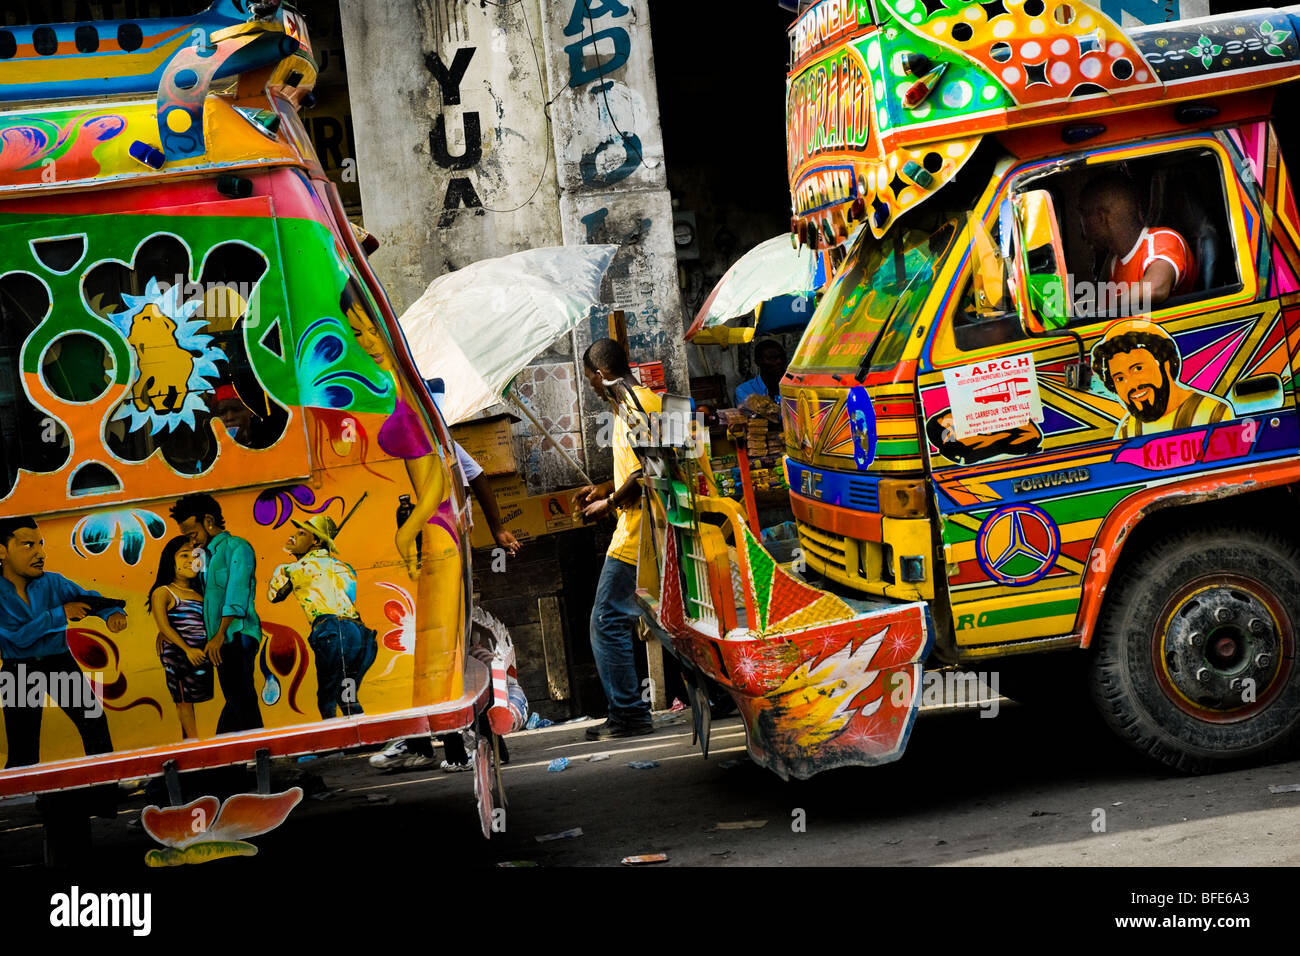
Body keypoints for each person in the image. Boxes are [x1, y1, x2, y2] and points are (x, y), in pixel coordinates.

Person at [370, 390, 519, 771]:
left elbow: (474, 477)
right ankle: (427, 744)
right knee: (438, 648)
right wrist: (497, 528)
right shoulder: (429, 439)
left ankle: (454, 747)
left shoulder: (427, 440)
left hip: (435, 556)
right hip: (433, 555)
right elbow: (477, 476)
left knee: (439, 650)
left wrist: (497, 528)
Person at [576, 337, 660, 741]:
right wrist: (604, 489)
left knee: (607, 619)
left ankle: (629, 715)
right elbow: (639, 467)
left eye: (590, 378)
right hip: (637, 529)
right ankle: (626, 712)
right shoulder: (629, 406)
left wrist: (608, 503)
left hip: (641, 533)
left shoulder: (641, 405)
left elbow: (654, 473)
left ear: (602, 373)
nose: (591, 387)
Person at [0, 516, 123, 768]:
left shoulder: (53, 582)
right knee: (23, 746)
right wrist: (61, 613)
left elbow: (87, 598)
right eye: (28, 545)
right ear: (2, 551)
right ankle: (16, 800)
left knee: (94, 725)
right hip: (18, 672)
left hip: (59, 664)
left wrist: (111, 613)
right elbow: (16, 637)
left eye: (41, 544)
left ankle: (107, 784)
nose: (40, 553)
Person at [268, 515, 379, 719]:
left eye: (301, 534)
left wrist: (286, 574)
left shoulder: (291, 569)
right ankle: (362, 736)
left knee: (327, 695)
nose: (292, 537)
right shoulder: (342, 567)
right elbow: (350, 593)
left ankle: (336, 740)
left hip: (331, 631)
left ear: (316, 541)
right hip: (360, 635)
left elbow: (274, 596)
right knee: (347, 695)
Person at [170, 493, 263, 734]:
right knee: (239, 697)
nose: (192, 540)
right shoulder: (203, 556)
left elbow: (236, 593)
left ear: (209, 521)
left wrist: (220, 634)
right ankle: (248, 750)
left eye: (193, 534)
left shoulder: (237, 548)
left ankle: (243, 749)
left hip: (238, 634)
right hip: (216, 641)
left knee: (239, 696)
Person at [1091, 318, 1234, 438]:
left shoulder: (1212, 412)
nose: (1132, 385)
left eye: (1138, 369)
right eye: (1120, 378)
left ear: (1165, 364)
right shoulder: (1128, 430)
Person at [1079, 172, 1196, 313]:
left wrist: (1105, 309)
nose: (1083, 231)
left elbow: (1154, 289)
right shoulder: (1114, 264)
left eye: (1083, 215)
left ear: (1100, 218)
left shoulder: (1162, 240)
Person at [147, 535, 213, 740]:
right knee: (183, 700)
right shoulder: (164, 592)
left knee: (197, 697)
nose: (190, 560)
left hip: (200, 655)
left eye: (193, 555)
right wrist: (187, 649)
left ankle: (193, 742)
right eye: (183, 555)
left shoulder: (199, 593)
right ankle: (194, 747)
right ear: (170, 560)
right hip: (179, 654)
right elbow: (164, 626)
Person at [734, 339, 788, 406]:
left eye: (782, 357)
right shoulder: (745, 390)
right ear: (758, 361)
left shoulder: (794, 386)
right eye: (772, 358)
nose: (779, 361)